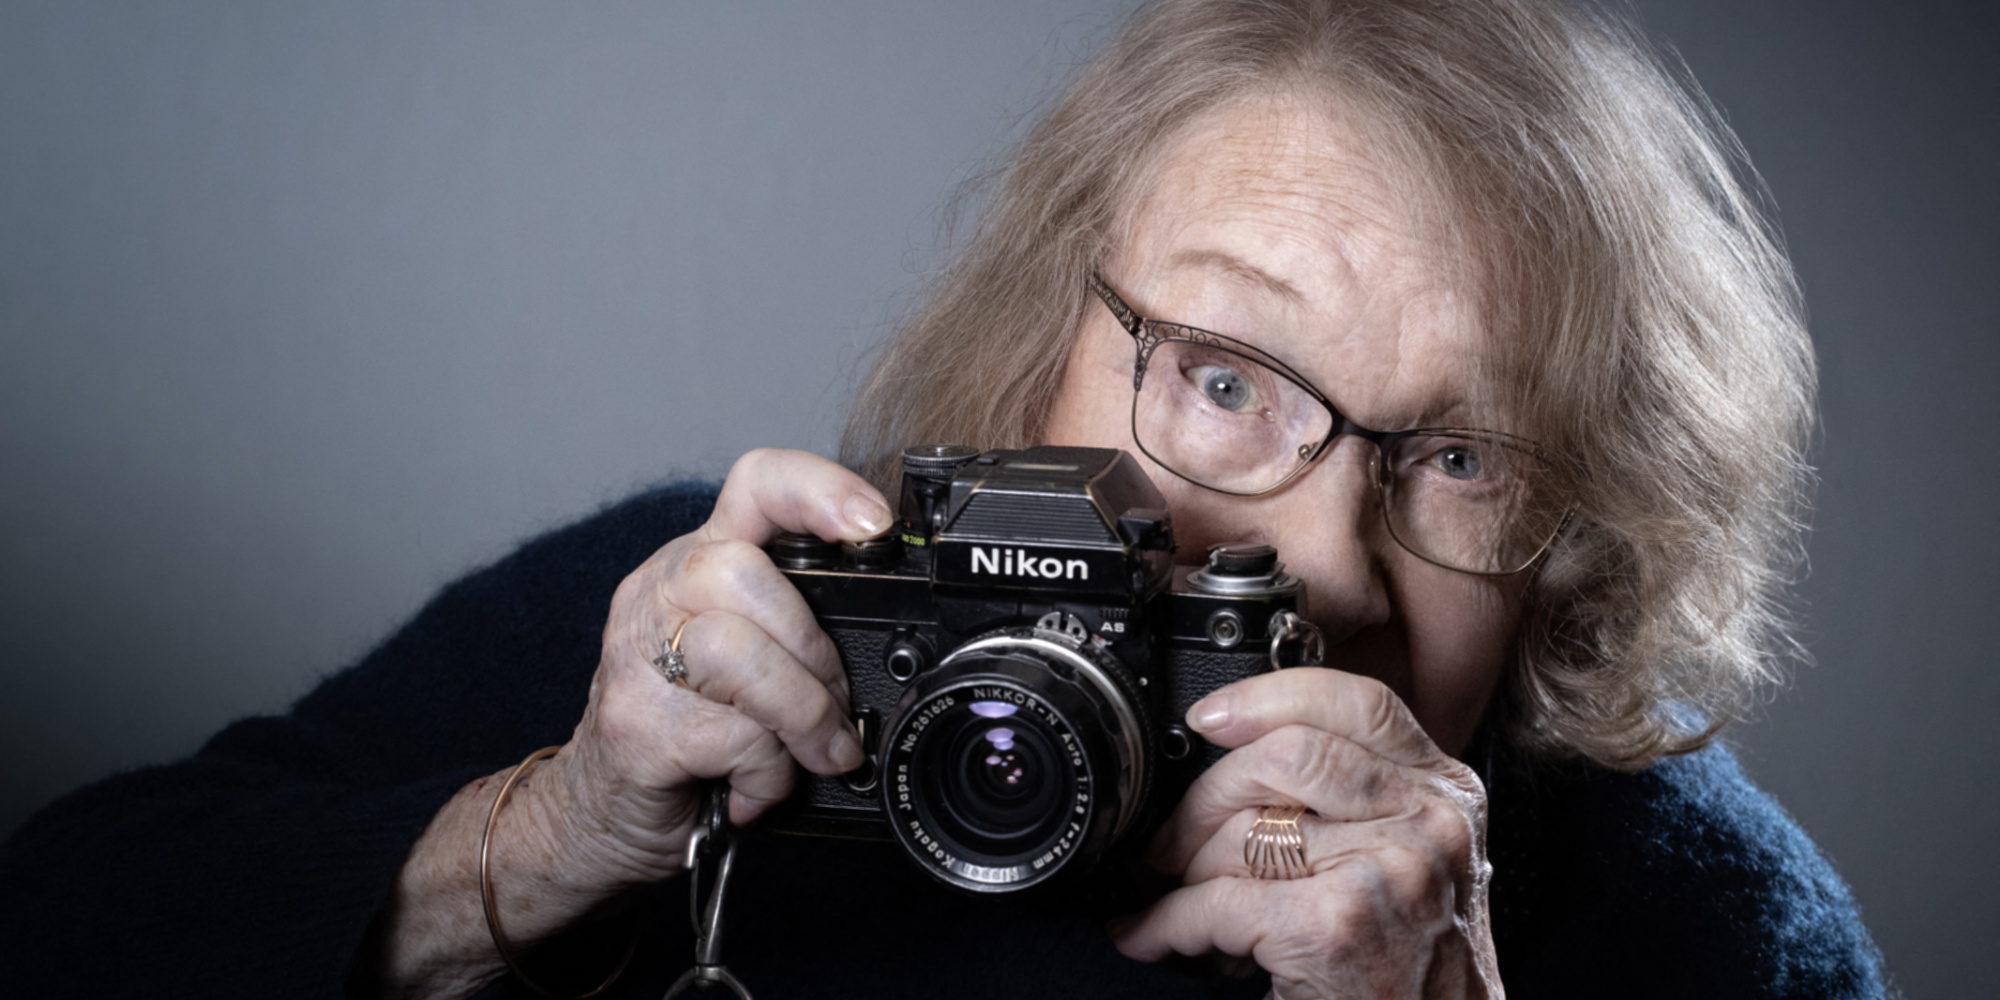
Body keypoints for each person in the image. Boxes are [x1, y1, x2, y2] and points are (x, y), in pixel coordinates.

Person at [0, 0, 1890, 997]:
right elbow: (65, 927)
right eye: (1223, 380)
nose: (1314, 558)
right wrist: (549, 839)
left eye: (1463, 459)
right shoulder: (752, 627)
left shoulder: (1691, 910)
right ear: (1047, 341)